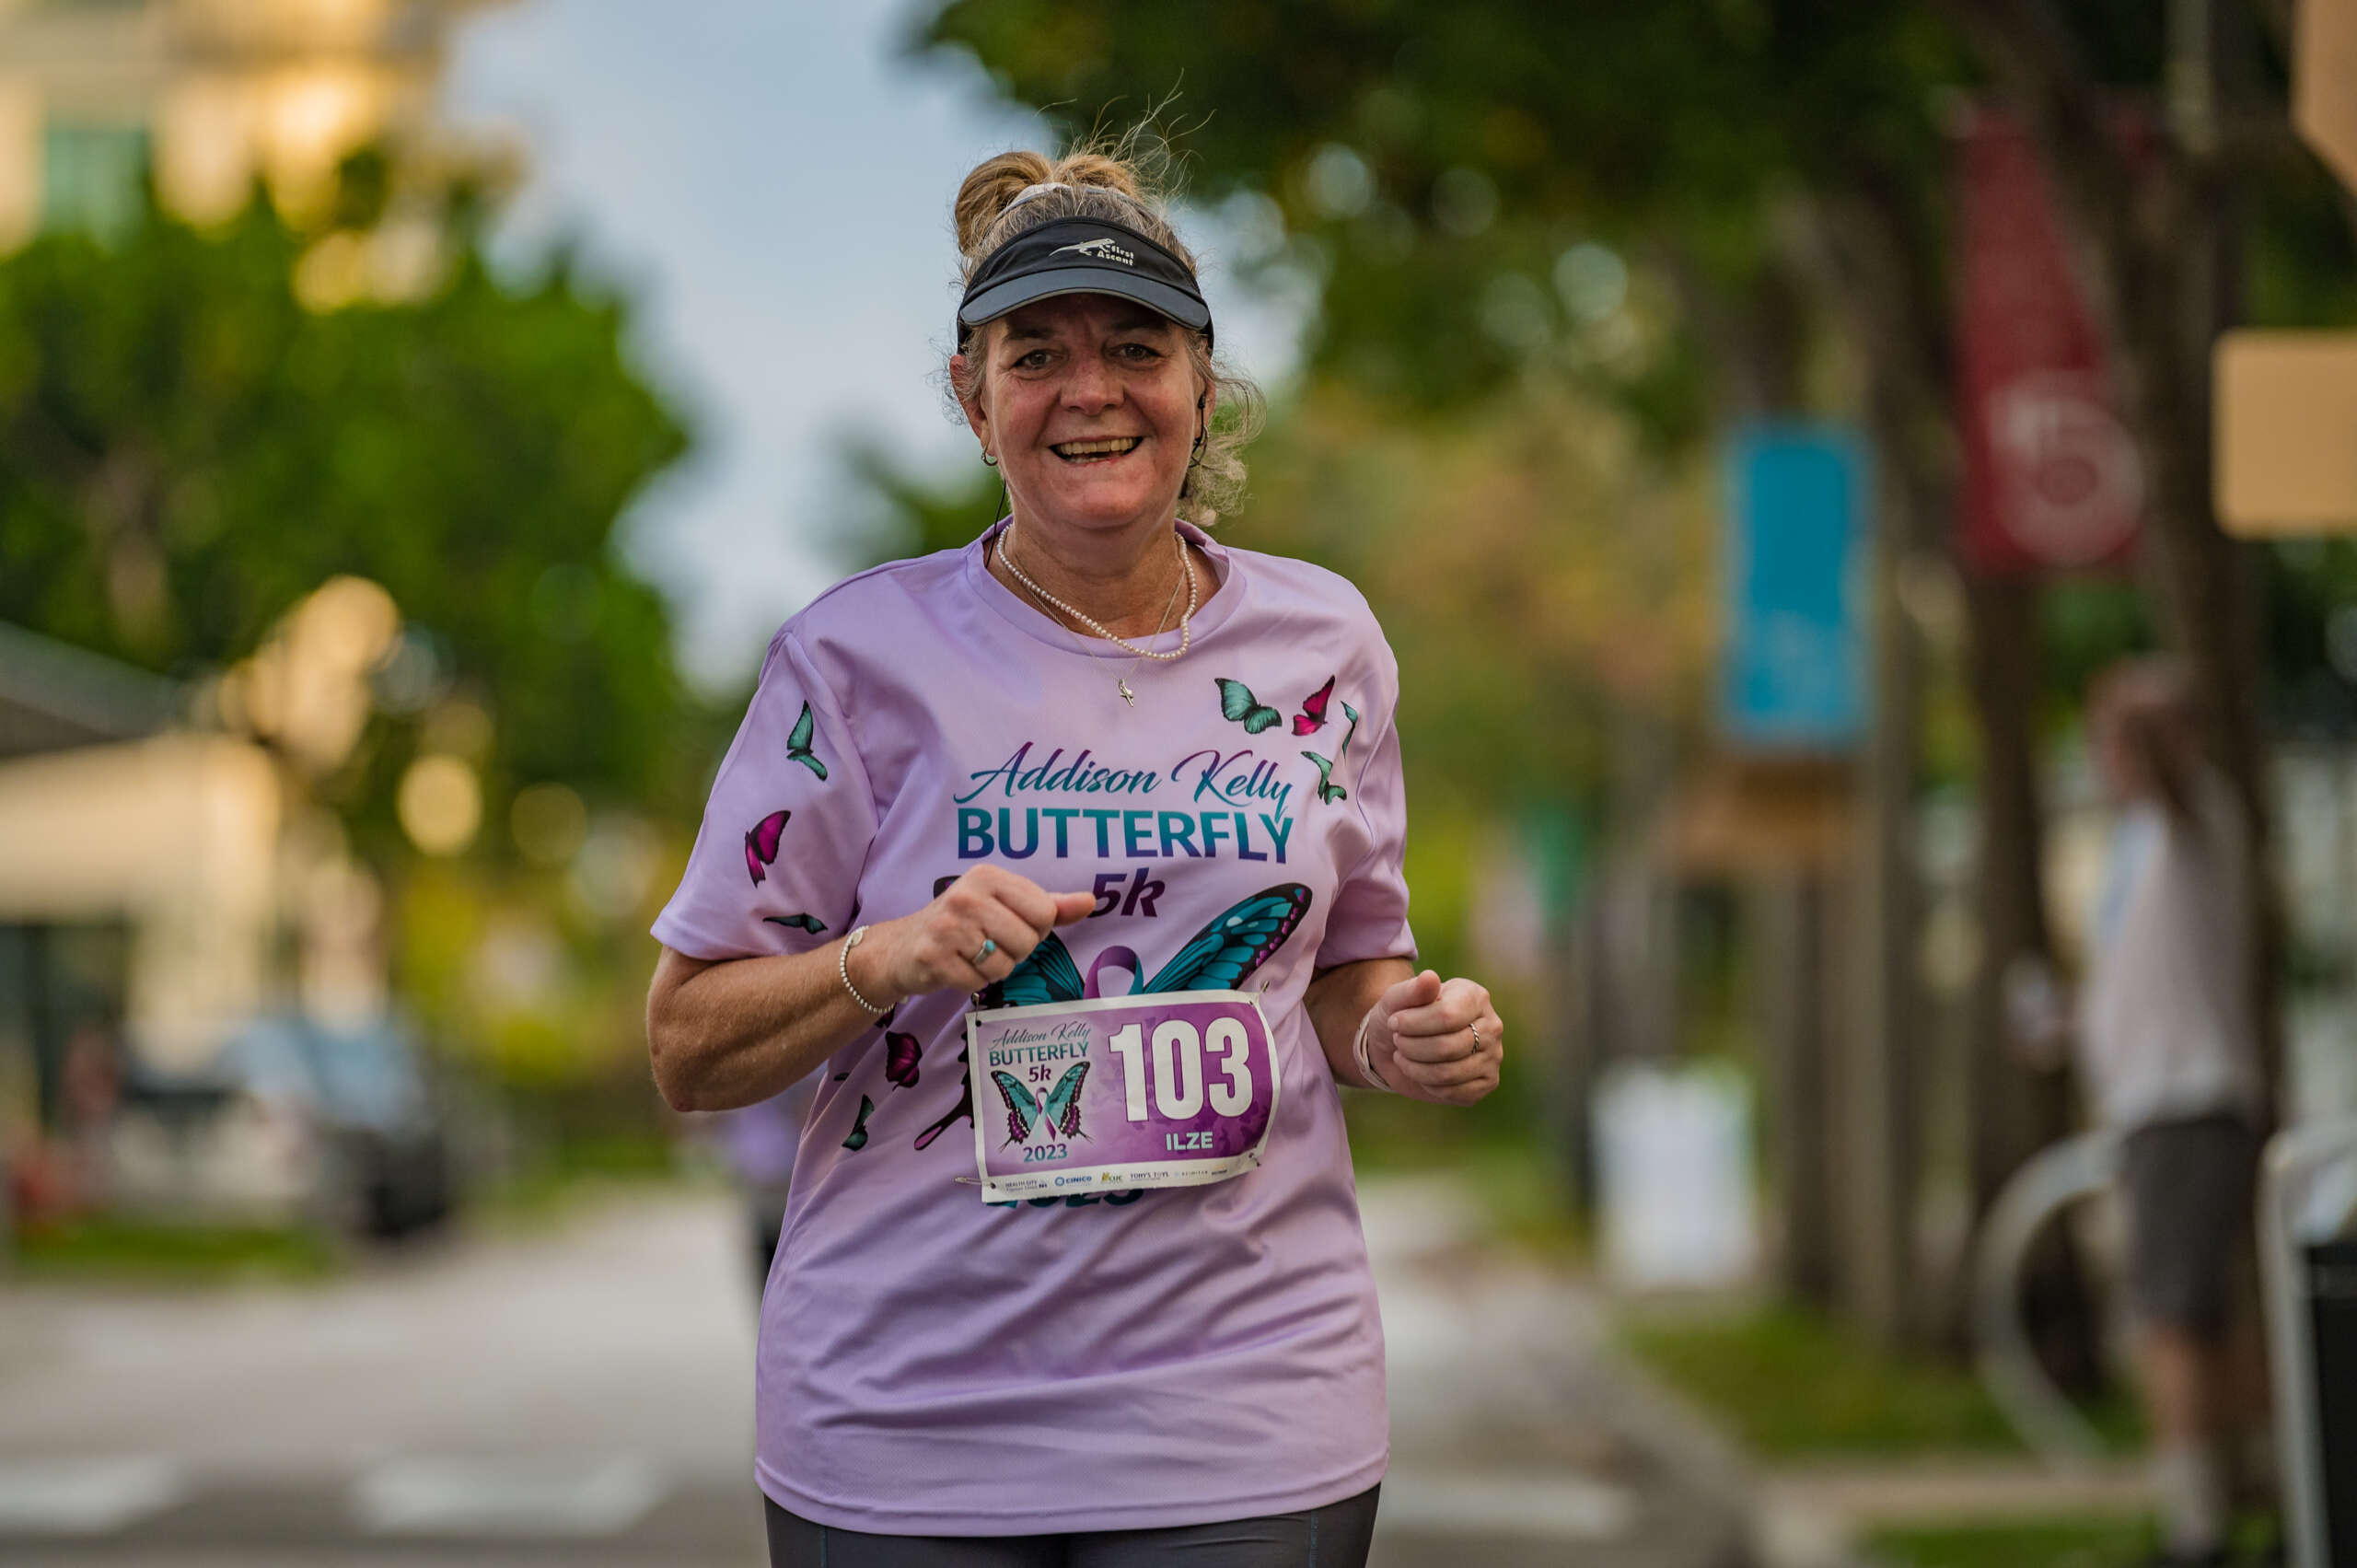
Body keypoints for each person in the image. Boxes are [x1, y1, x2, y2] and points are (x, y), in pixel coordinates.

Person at [644, 145, 1506, 1568]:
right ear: (973, 398)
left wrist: (1403, 1031)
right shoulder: (852, 660)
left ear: (1202, 386)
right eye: (1036, 353)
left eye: (1136, 349)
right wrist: (887, 956)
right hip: (908, 1416)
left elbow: (1351, 968)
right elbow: (687, 1045)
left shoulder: (1325, 647)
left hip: (1246, 1405)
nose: (1090, 389)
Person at [2015, 657, 2270, 1568]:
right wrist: (2069, 1022)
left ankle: (2197, 1531)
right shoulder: (2129, 846)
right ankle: (2278, 1482)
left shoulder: (2195, 816)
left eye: (2122, 738)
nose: (2109, 754)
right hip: (2149, 1109)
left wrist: (2136, 706)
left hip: (2188, 1102)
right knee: (2198, 1324)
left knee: (2171, 1321)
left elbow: (2169, 770)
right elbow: (2142, 980)